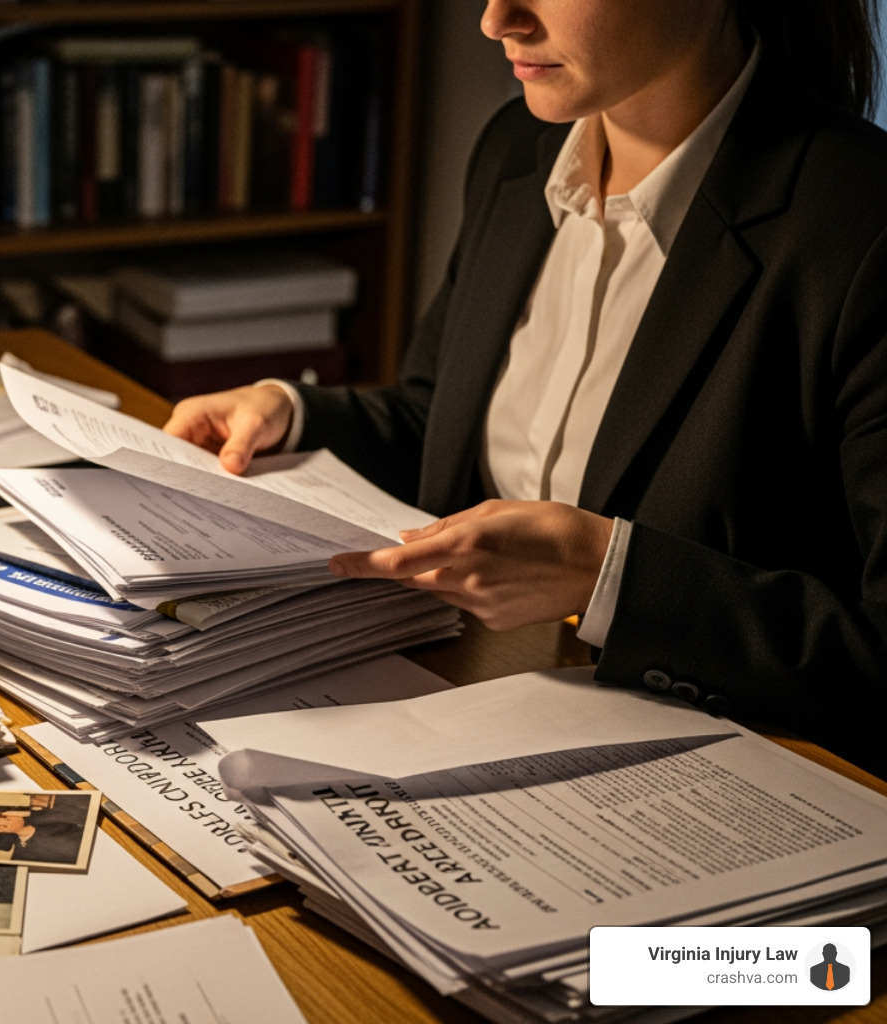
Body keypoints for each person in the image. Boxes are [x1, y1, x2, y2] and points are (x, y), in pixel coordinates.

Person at [163, 0, 887, 775]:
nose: (495, 18)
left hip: (713, 776)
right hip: (466, 702)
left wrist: (609, 575)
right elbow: (443, 429)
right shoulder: (517, 147)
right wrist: (295, 413)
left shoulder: (863, 221)